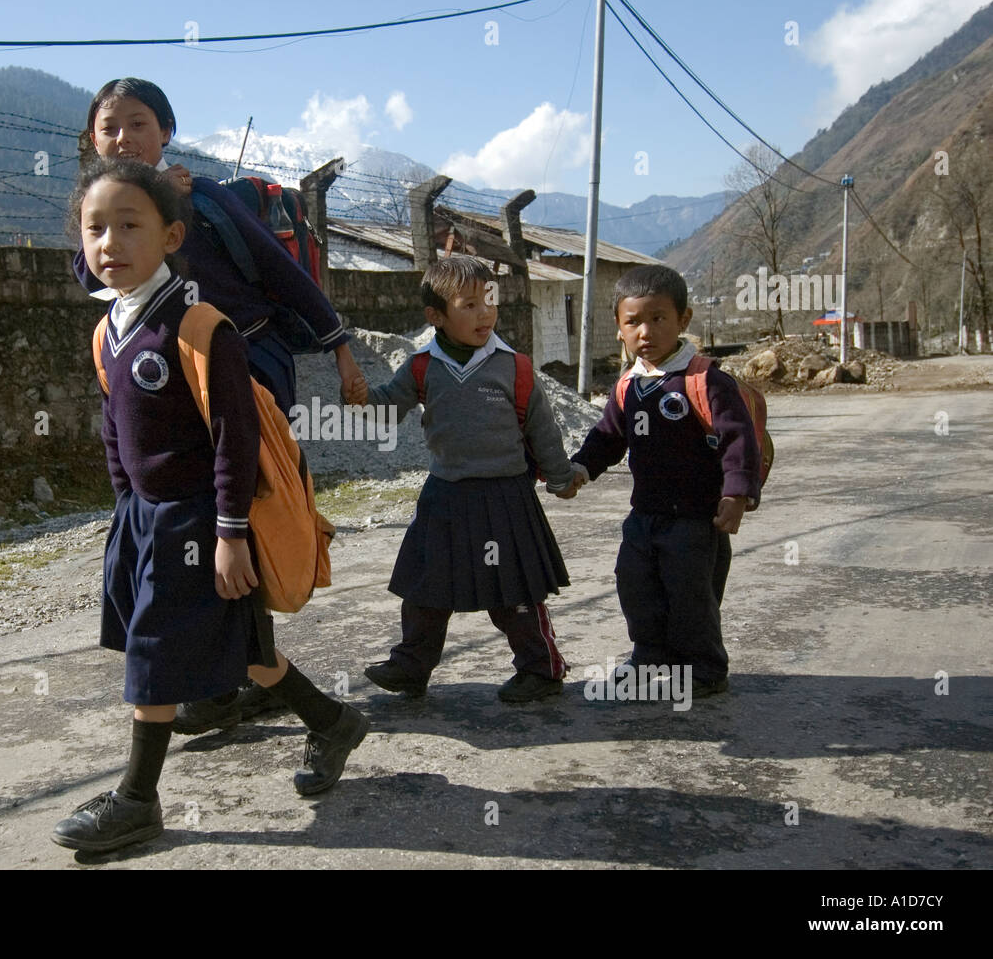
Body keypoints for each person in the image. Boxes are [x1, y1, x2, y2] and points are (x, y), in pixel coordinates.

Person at [51, 158, 368, 852]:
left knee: (155, 654)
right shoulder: (110, 332)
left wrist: (229, 534)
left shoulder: (199, 329)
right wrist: (124, 508)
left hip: (200, 522)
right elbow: (115, 428)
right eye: (94, 229)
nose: (109, 243)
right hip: (146, 522)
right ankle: (333, 722)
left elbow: (236, 436)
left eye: (128, 225)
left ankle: (137, 800)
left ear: (171, 237)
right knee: (246, 649)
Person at [73, 77, 362, 732]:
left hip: (242, 365)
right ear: (92, 142)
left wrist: (339, 346)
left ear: (167, 132)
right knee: (209, 517)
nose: (124, 138)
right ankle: (244, 675)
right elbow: (88, 275)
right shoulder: (107, 213)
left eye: (139, 124)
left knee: (238, 505)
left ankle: (233, 676)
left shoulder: (203, 200)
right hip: (172, 379)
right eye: (109, 128)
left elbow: (281, 272)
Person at [346, 255, 580, 703]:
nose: (485, 314)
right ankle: (411, 666)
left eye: (489, 302)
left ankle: (541, 669)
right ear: (435, 316)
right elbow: (387, 409)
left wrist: (560, 476)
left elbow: (541, 429)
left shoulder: (515, 367)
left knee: (513, 590)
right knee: (424, 584)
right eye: (469, 305)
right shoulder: (421, 367)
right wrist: (360, 398)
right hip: (445, 494)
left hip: (505, 495)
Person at [568, 264, 761, 698]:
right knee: (635, 583)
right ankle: (650, 654)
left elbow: (738, 438)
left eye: (658, 319)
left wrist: (736, 493)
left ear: (683, 320)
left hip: (695, 519)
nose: (645, 331)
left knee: (691, 595)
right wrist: (580, 470)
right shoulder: (628, 386)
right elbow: (607, 437)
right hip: (645, 515)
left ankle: (706, 667)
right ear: (619, 328)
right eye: (633, 321)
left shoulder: (705, 379)